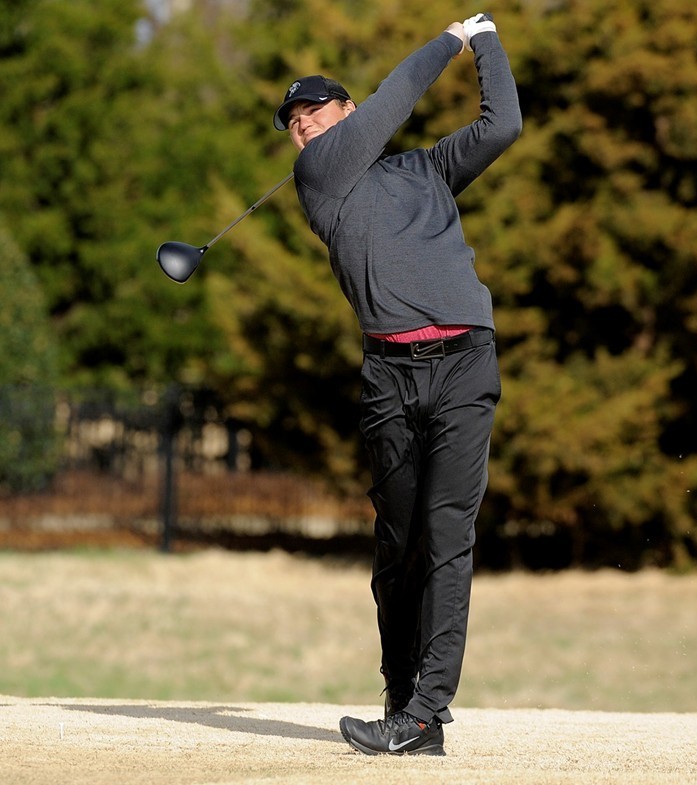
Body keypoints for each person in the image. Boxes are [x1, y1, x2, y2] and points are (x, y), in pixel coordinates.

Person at [272, 13, 521, 756]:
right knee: (397, 544)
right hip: (389, 372)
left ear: (343, 112)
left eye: (314, 111)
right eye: (291, 121)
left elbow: (501, 124)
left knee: (447, 537)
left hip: (464, 363)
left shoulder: (429, 170)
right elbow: (391, 102)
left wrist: (481, 39)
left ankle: (425, 713)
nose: (302, 127)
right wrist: (445, 40)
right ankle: (403, 690)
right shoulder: (319, 176)